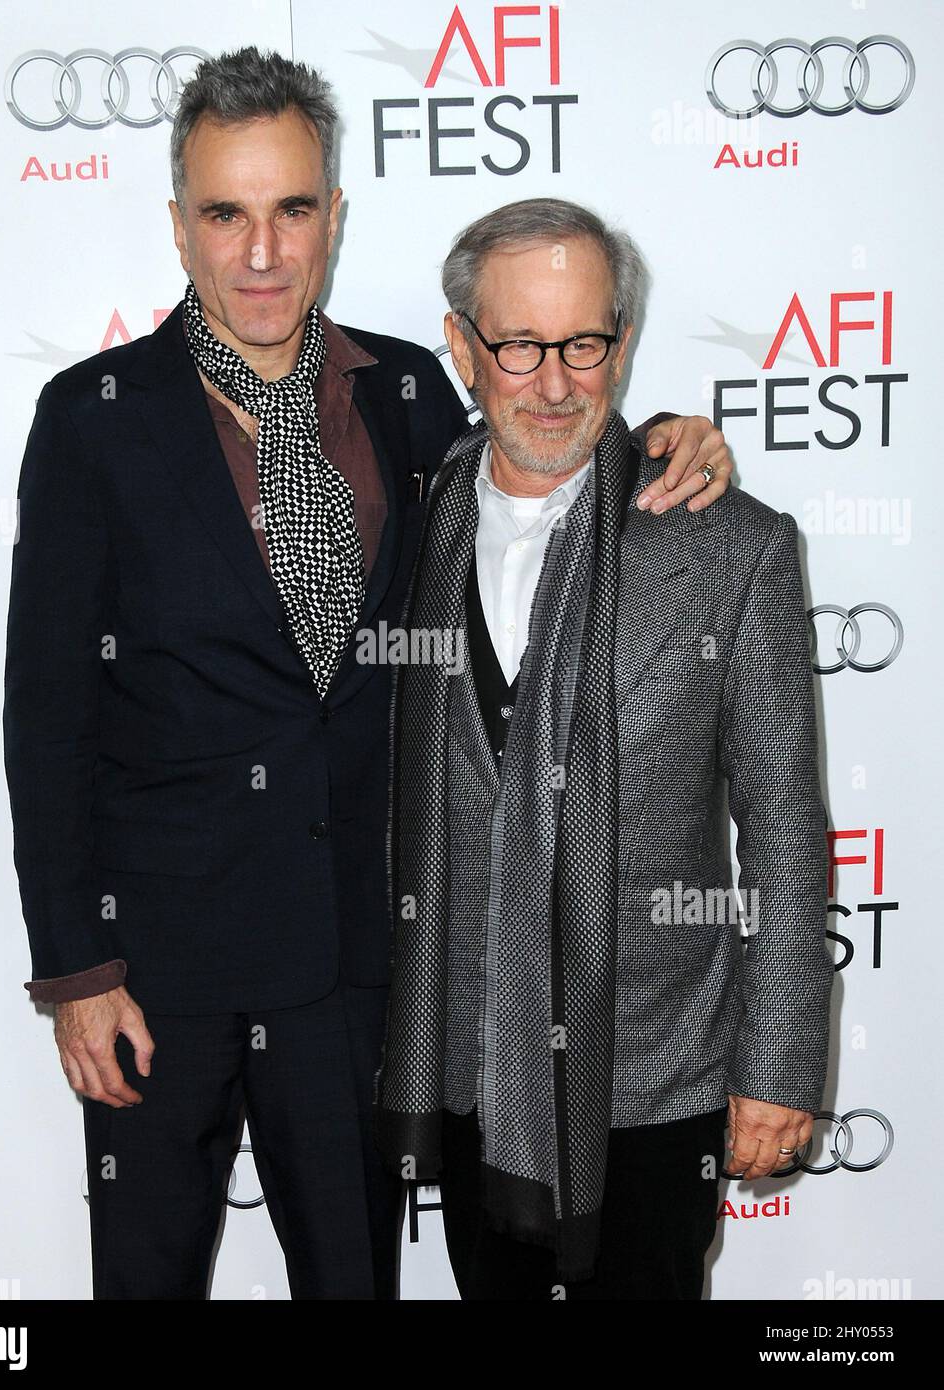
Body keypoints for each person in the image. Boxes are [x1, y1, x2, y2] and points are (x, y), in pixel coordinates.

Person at [3, 50, 734, 1301]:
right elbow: (47, 714)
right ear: (180, 226)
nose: (262, 253)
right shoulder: (95, 417)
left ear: (334, 215)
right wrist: (78, 974)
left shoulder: (401, 393)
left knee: (355, 1287)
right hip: (157, 974)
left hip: (355, 970)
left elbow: (541, 445)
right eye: (226, 214)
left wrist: (663, 436)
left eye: (292, 209)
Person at [374, 197, 833, 1300]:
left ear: (621, 344)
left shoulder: (734, 546)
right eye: (519, 344)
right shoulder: (404, 519)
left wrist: (777, 1064)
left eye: (585, 342)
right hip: (473, 1065)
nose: (555, 380)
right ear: (462, 348)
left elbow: (780, 823)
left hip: (655, 1081)